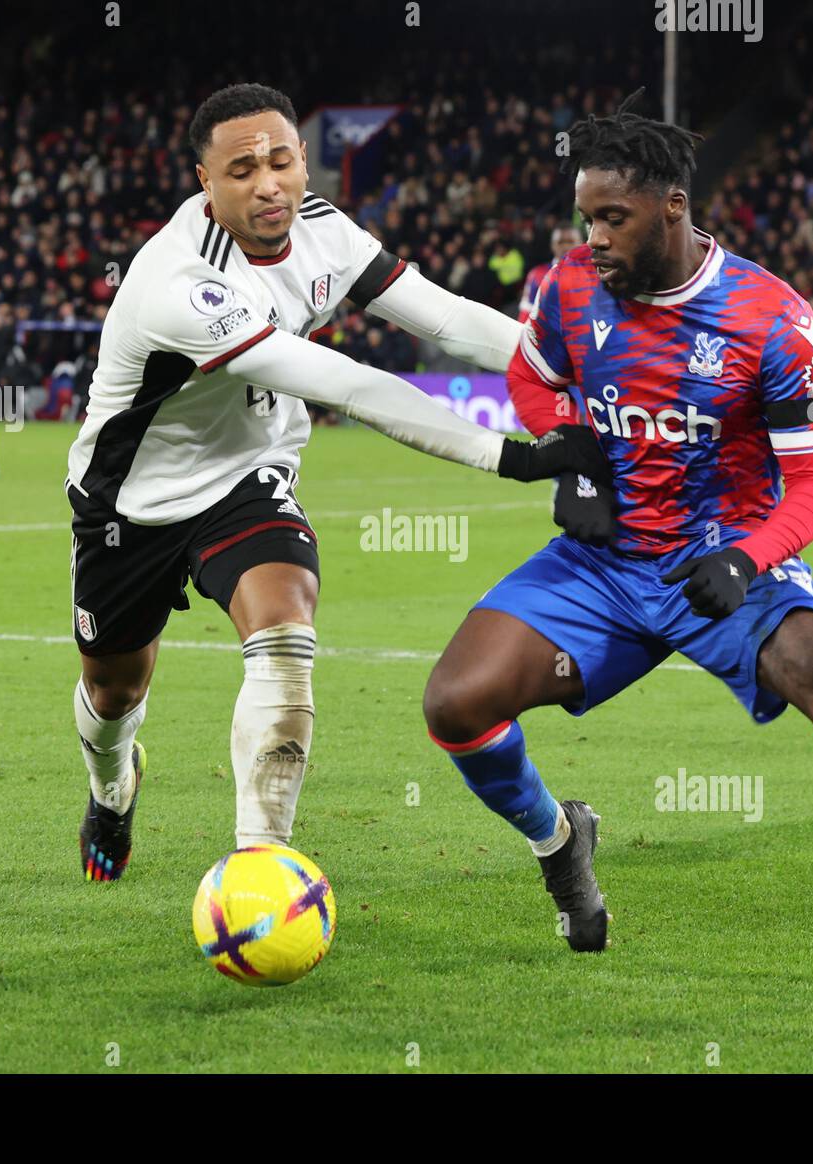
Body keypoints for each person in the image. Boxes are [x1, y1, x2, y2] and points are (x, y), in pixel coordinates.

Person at [422, 93, 813, 1007]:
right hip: (605, 567)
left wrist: (749, 558)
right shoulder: (569, 287)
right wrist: (571, 461)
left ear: (673, 206)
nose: (594, 238)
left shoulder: (770, 318)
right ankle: (560, 844)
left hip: (720, 558)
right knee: (456, 705)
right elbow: (533, 376)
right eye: (586, 219)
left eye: (613, 218)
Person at [66, 83, 606, 882]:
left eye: (281, 161)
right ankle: (112, 789)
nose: (268, 183)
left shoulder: (323, 230)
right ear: (204, 182)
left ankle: (261, 866)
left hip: (249, 473)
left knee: (285, 630)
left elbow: (448, 319)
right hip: (131, 499)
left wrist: (579, 367)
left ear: (304, 160)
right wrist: (514, 455)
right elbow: (348, 384)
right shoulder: (182, 282)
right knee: (115, 690)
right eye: (242, 169)